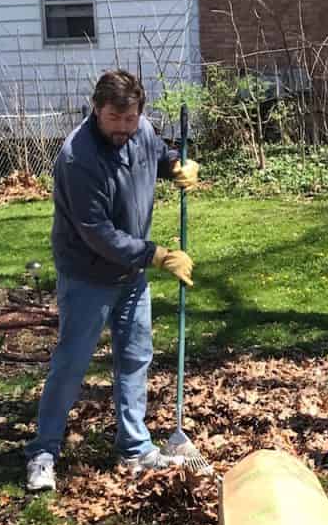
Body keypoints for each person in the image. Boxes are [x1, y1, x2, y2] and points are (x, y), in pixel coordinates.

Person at [25, 69, 199, 492]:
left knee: (136, 357)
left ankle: (134, 448)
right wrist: (157, 255)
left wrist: (175, 163)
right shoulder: (78, 158)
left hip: (131, 275)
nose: (123, 128)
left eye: (130, 118)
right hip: (87, 274)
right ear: (96, 110)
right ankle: (43, 453)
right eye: (114, 119)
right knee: (72, 364)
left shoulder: (141, 131)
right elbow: (98, 233)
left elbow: (156, 152)